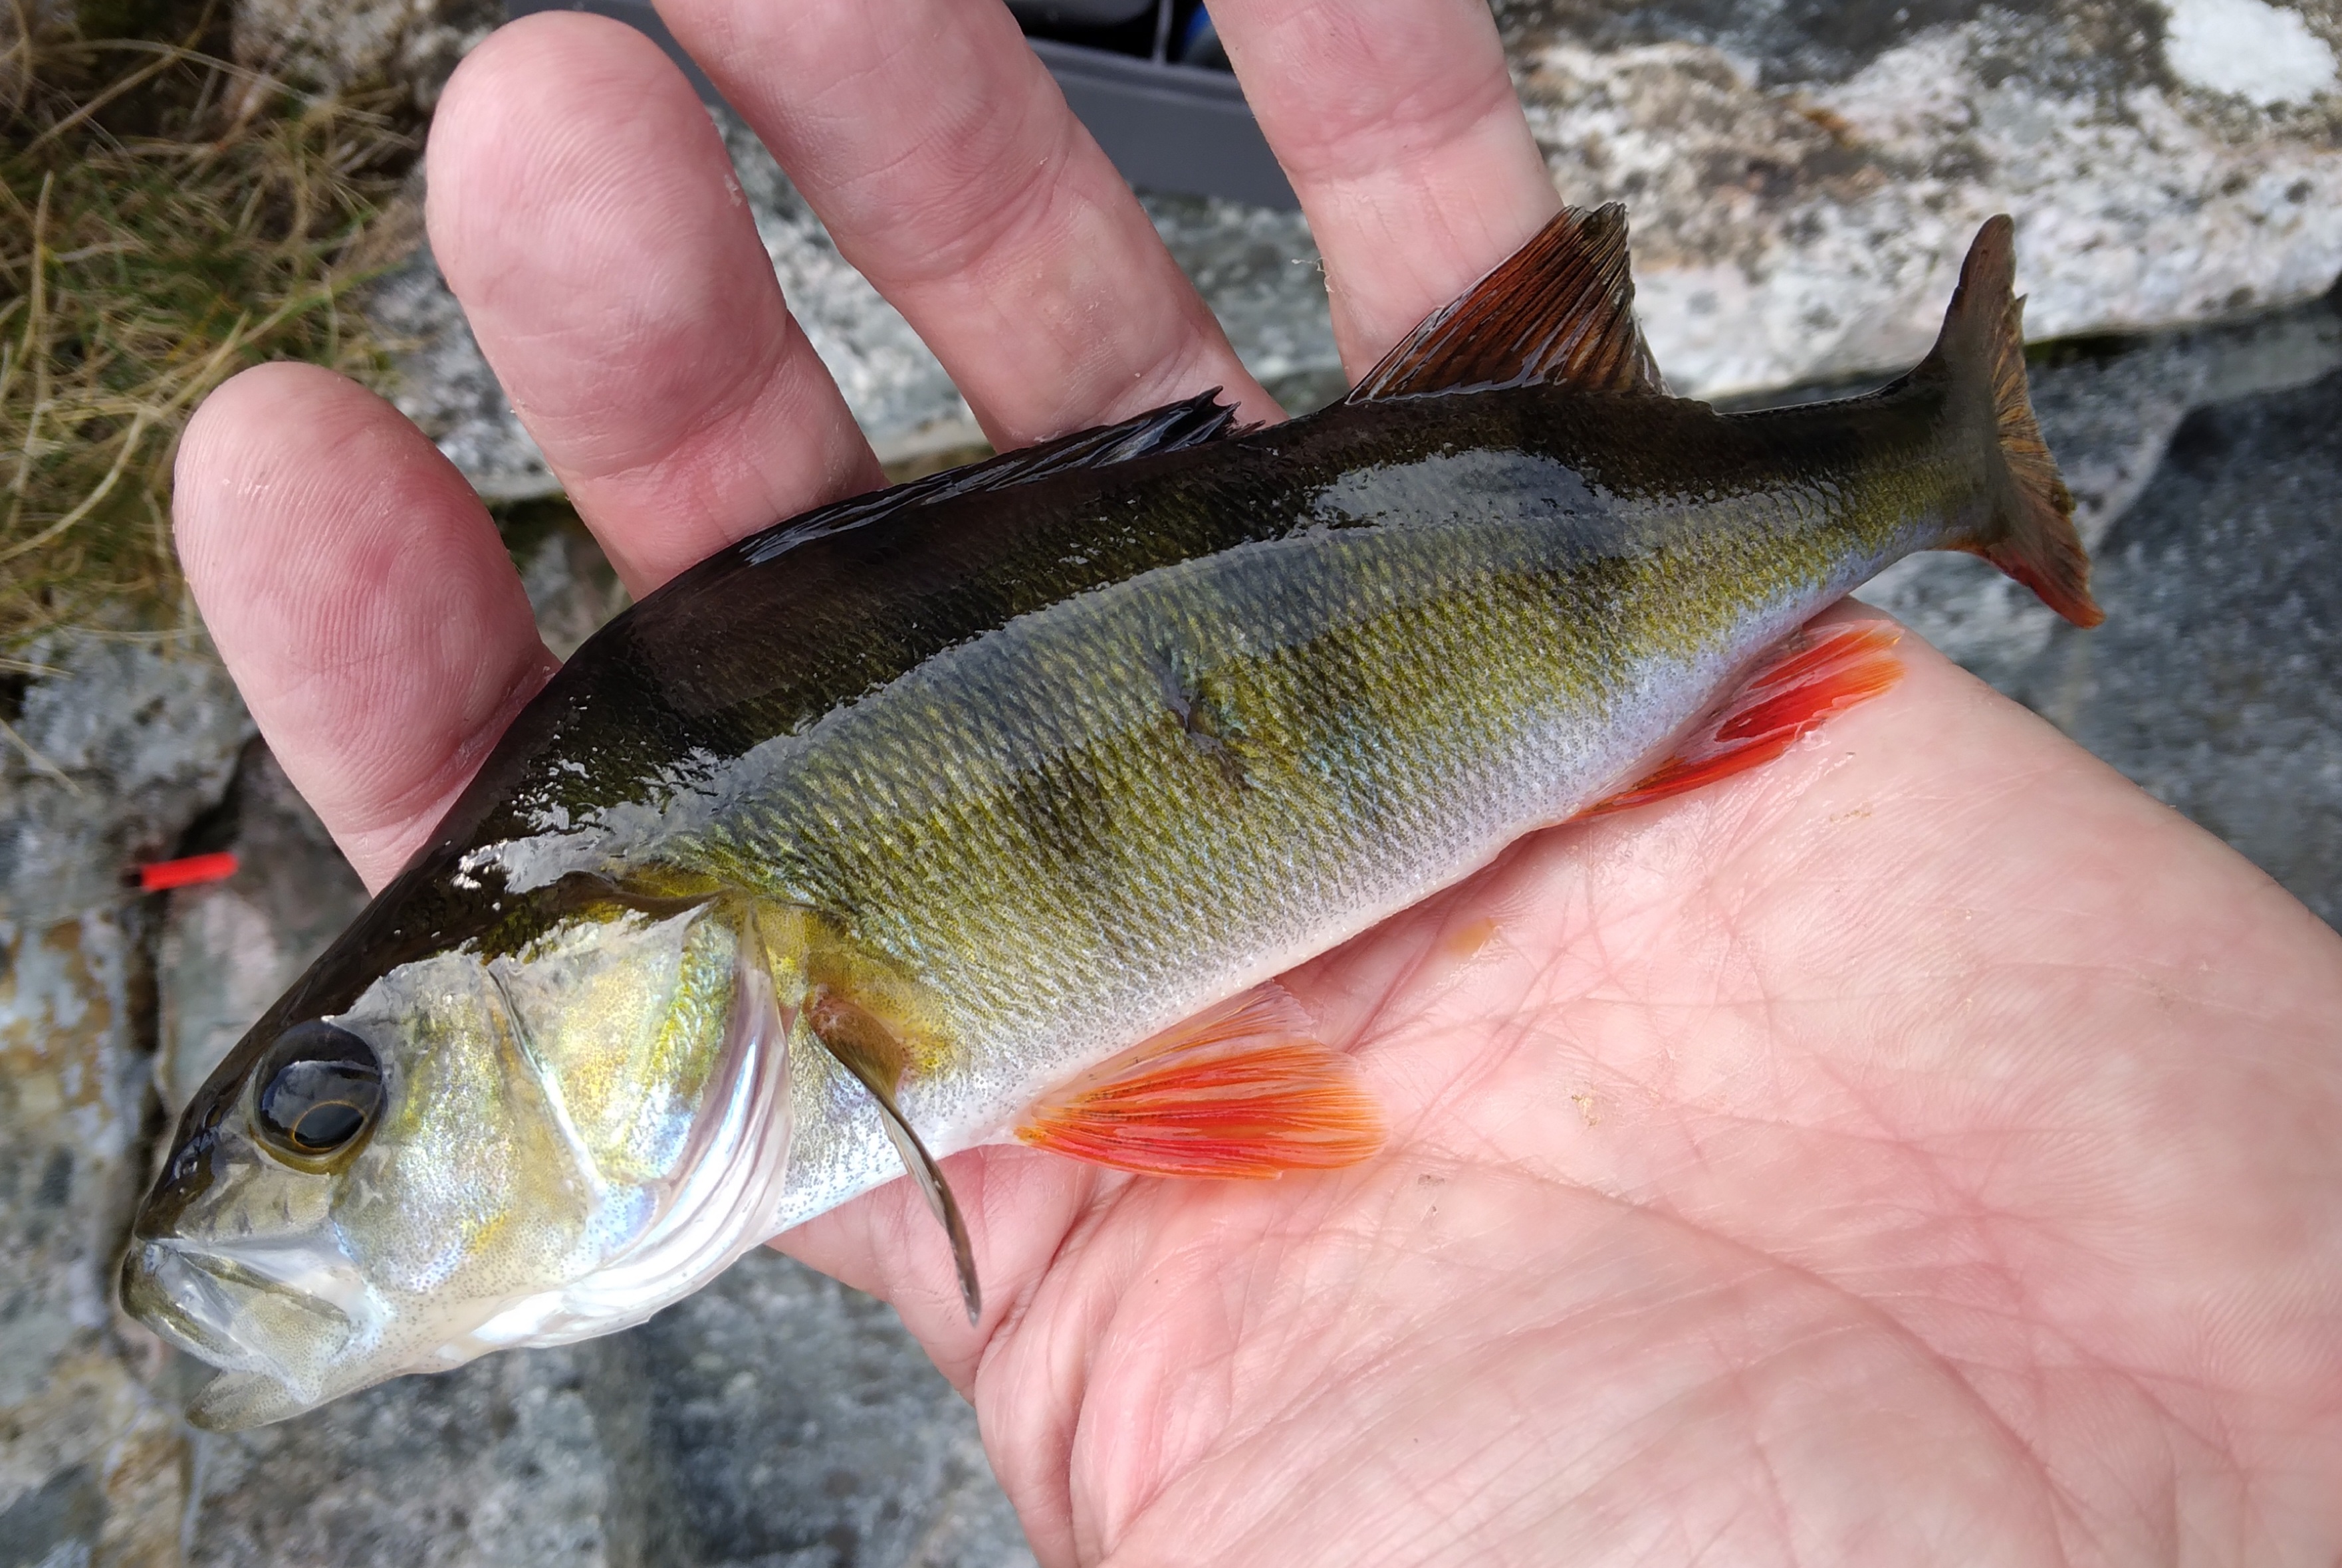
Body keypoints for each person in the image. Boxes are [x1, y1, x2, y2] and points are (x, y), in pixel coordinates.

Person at [172, 1, 2342, 1561]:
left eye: (328, 1098)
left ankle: (1930, 460)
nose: (308, 1155)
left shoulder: (769, 980)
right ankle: (1924, 461)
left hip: (1524, 545)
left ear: (607, 956)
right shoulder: (744, 979)